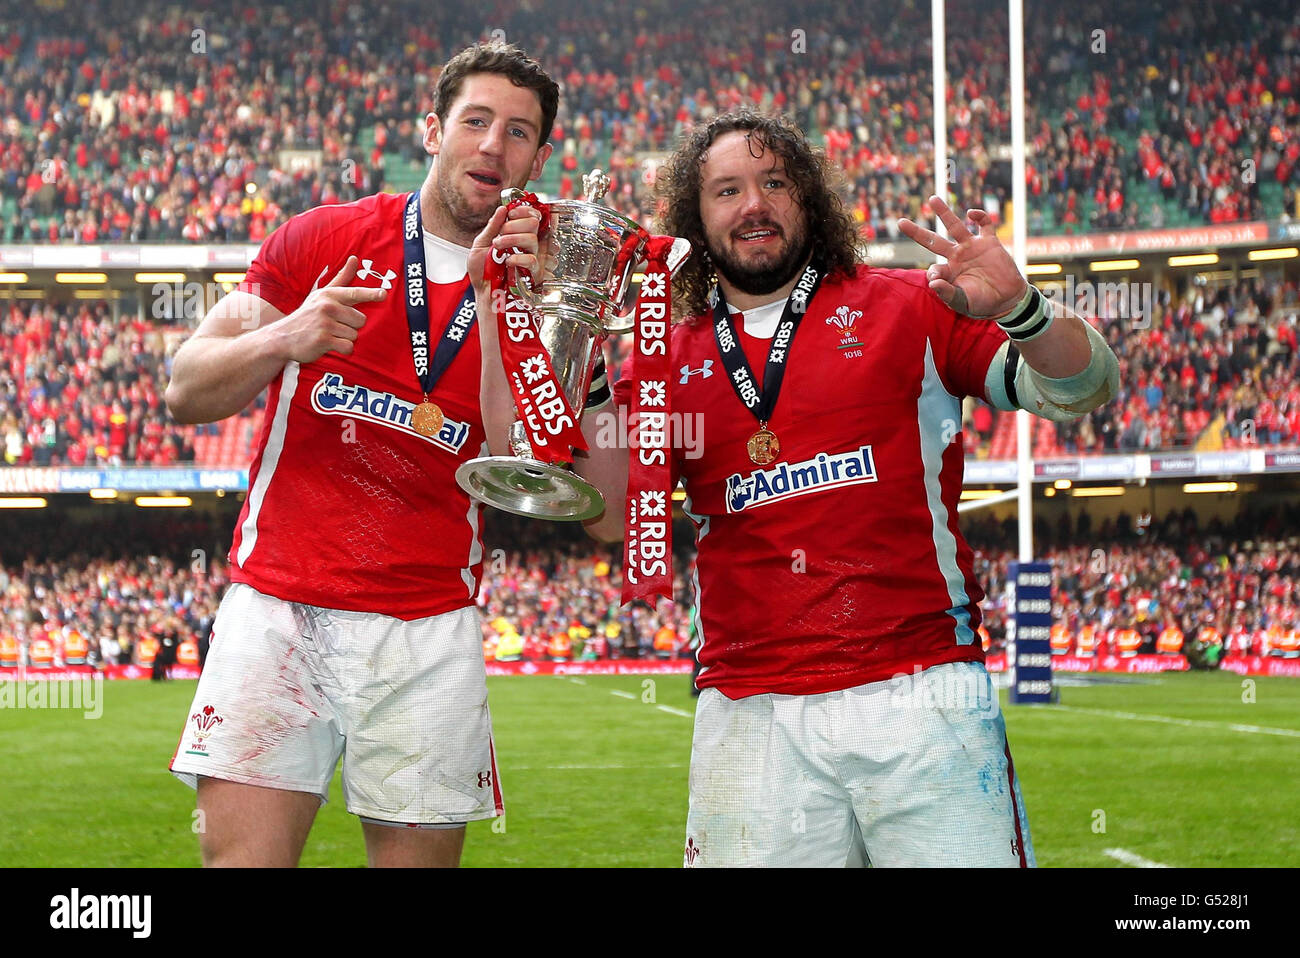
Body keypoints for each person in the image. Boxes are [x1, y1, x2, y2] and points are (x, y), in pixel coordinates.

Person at [559, 110, 1119, 866]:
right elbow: (614, 523)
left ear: (809, 198)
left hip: (923, 693)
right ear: (696, 218)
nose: (752, 204)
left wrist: (1024, 312)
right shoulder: (665, 353)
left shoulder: (910, 303)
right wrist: (585, 370)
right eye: (726, 190)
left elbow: (1083, 387)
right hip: (748, 709)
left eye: (773, 182)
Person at [164, 42, 558, 868]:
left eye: (518, 132)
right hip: (279, 610)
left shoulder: (539, 283)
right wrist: (288, 333)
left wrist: (507, 312)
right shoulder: (322, 238)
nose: (493, 145)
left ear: (539, 156)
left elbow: (520, 457)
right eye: (476, 121)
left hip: (428, 626)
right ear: (431, 129)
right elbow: (186, 388)